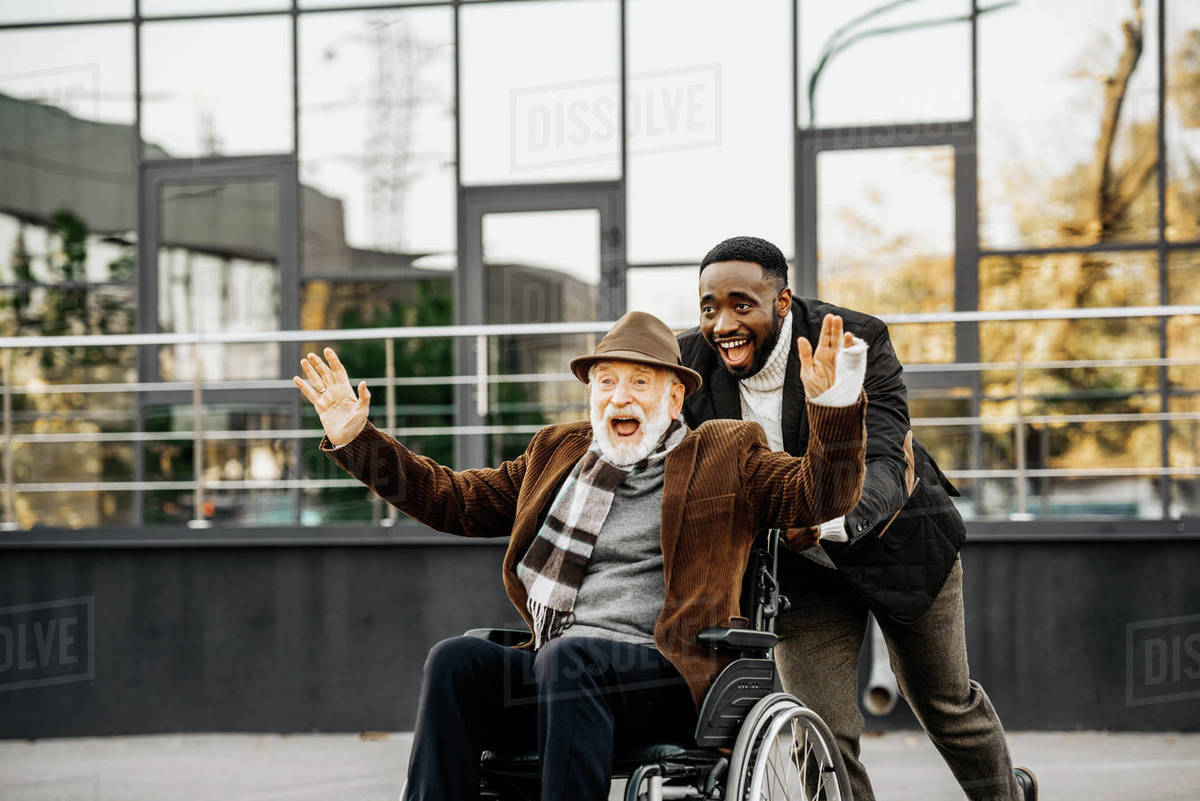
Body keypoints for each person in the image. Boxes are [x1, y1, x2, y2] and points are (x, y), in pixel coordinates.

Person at [294, 310, 868, 801]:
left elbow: (817, 495)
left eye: (640, 382)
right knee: (456, 661)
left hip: (668, 678)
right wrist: (357, 440)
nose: (620, 396)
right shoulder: (557, 453)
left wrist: (836, 407)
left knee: (570, 660)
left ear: (674, 396)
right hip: (558, 670)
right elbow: (455, 501)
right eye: (607, 382)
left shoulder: (725, 451)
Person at [677, 235, 1038, 801]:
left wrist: (822, 520)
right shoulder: (689, 366)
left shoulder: (852, 339)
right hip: (799, 571)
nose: (723, 323)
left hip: (897, 542)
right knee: (819, 732)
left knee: (944, 702)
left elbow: (886, 456)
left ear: (782, 300)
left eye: (740, 304)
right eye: (709, 307)